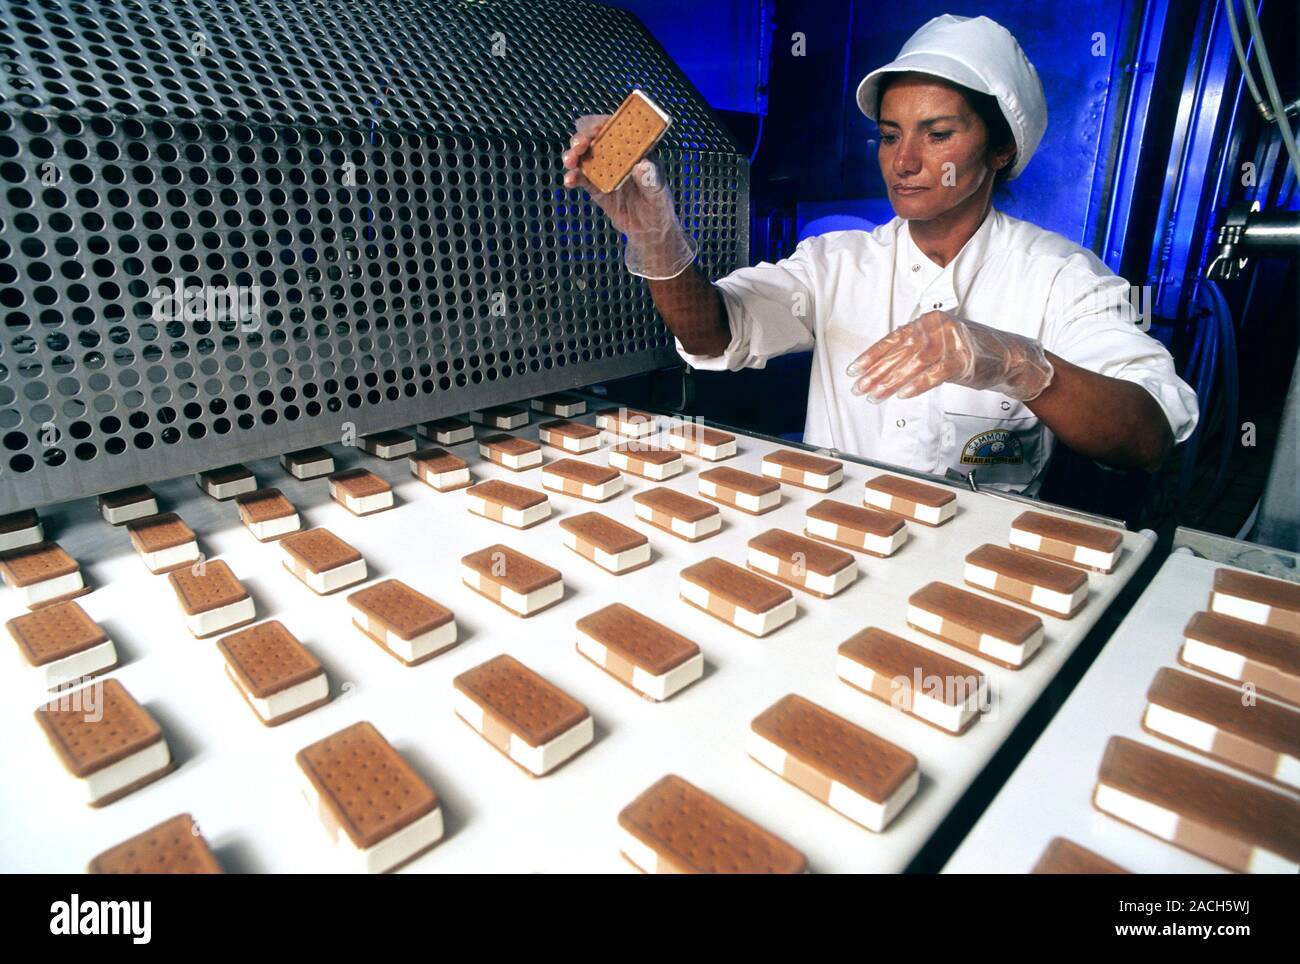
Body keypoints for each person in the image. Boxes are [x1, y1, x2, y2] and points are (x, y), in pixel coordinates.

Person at [562, 14, 1199, 494]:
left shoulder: (1062, 279)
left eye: (938, 134)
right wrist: (653, 234)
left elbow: (1145, 439)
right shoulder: (836, 262)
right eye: (890, 135)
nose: (903, 161)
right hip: (830, 539)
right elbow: (713, 335)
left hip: (976, 568)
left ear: (1001, 150)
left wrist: (1018, 363)